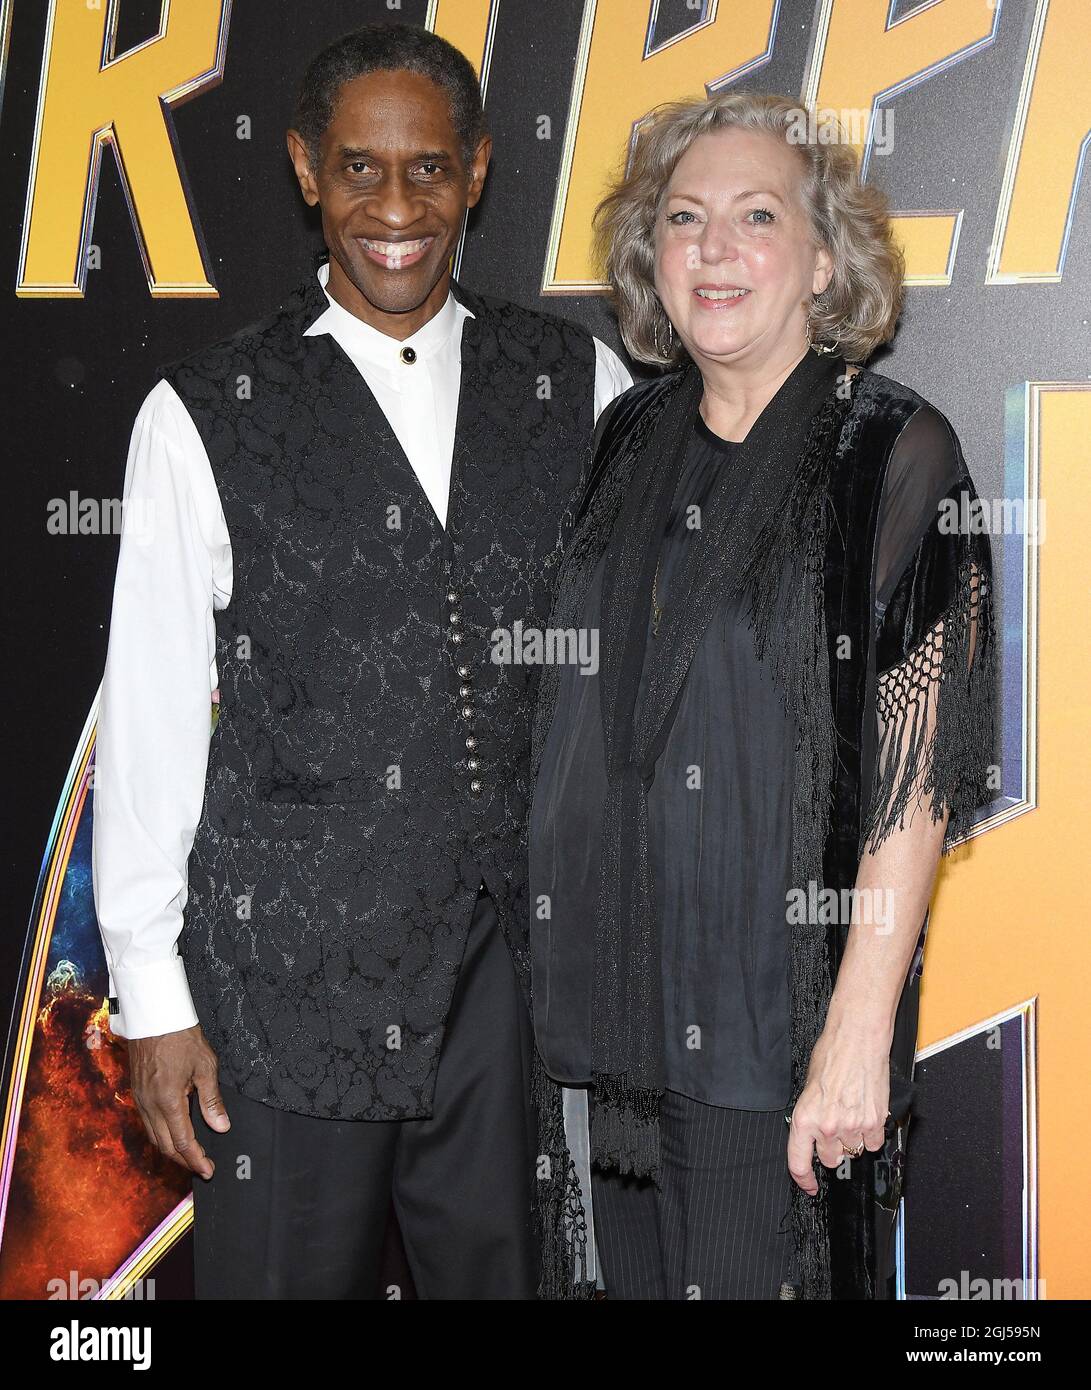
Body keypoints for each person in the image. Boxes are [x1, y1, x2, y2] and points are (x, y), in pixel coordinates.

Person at [91, 22, 631, 1300]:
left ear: (479, 173)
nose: (395, 207)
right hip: (281, 994)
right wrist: (150, 995)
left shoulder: (579, 382)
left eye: (429, 170)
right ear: (303, 171)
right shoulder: (202, 412)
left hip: (506, 997)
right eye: (359, 169)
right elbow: (155, 713)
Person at [528, 91, 997, 1300]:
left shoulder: (892, 452)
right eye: (682, 219)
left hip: (772, 1039)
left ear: (823, 258)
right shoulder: (626, 435)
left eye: (754, 216)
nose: (713, 249)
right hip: (618, 1030)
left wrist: (852, 1034)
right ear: (649, 257)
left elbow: (914, 779)